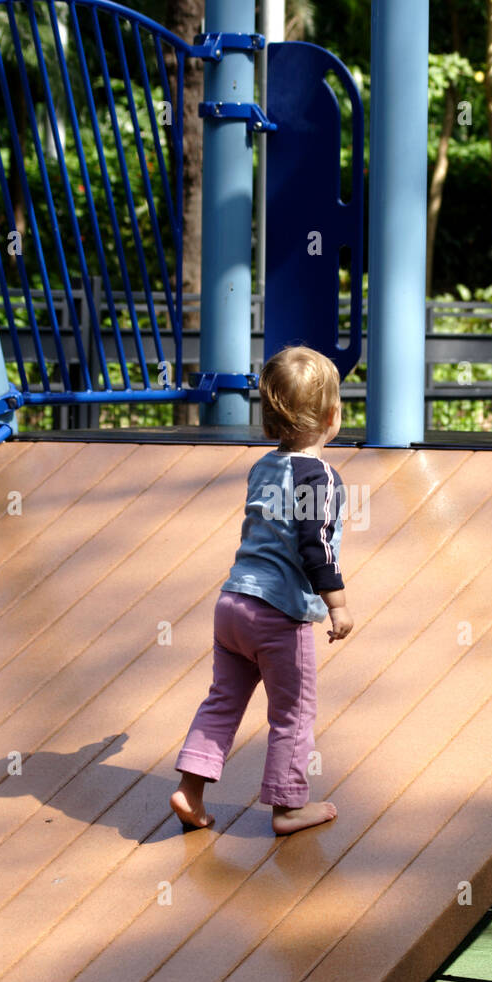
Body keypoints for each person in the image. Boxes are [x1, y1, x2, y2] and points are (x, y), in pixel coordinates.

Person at [170, 345, 353, 837]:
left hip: (232, 604)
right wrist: (336, 605)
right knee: (293, 712)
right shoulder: (320, 476)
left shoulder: (262, 468)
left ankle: (190, 790)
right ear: (334, 416)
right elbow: (315, 545)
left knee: (223, 700)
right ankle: (289, 805)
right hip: (278, 614)